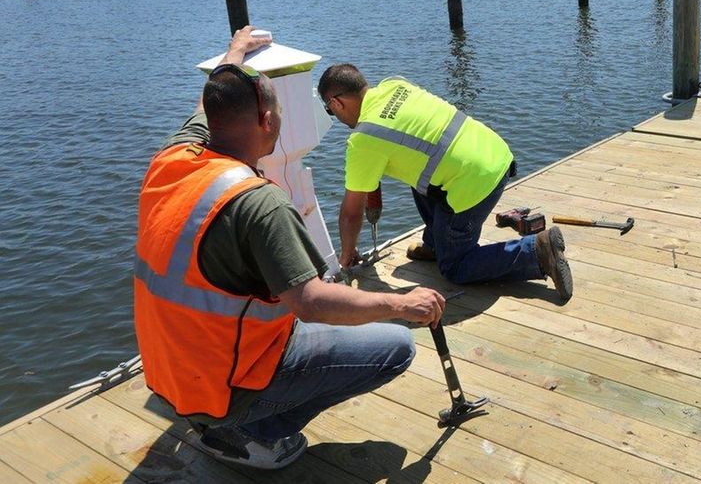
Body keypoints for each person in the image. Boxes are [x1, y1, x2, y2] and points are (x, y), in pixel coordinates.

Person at [133, 26, 446, 470]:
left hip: (171, 375)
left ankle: (222, 419)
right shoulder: (258, 201)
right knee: (395, 346)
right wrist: (400, 304)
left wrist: (235, 56)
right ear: (267, 121)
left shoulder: (173, 158)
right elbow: (312, 301)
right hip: (222, 387)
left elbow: (209, 102)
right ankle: (252, 435)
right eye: (277, 110)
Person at [317, 64, 572, 301]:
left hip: (475, 184)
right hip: (494, 153)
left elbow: (351, 214)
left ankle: (537, 250)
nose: (334, 116)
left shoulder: (363, 140)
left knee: (455, 268)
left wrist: (346, 254)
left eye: (330, 111)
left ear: (336, 103)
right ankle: (436, 245)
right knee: (418, 164)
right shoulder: (395, 84)